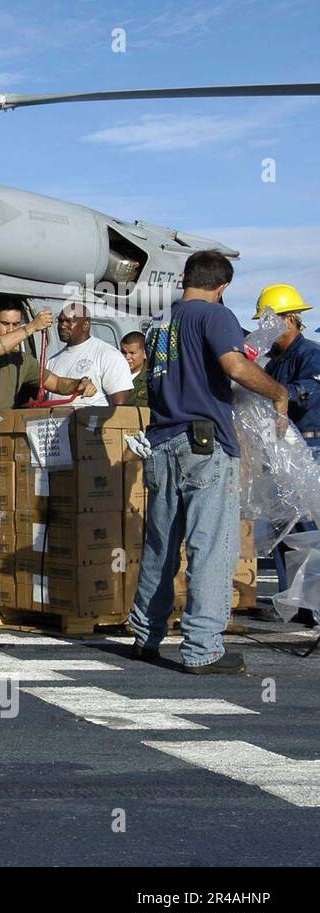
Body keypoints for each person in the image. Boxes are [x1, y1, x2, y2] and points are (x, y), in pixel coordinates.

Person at [127, 251, 289, 674]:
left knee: (161, 545)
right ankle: (203, 649)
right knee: (212, 545)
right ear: (223, 286)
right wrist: (277, 394)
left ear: (186, 278)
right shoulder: (216, 316)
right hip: (203, 444)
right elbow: (234, 366)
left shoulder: (160, 323)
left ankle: (145, 635)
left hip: (161, 442)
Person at [257, 284, 320, 600]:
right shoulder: (274, 362)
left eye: (270, 323)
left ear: (291, 319)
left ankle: (312, 600)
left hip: (310, 449)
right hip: (283, 452)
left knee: (308, 528)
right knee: (284, 527)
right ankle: (293, 600)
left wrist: (283, 396)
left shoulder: (310, 354)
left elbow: (312, 386)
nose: (265, 330)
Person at [43, 303, 133, 406]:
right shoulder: (52, 361)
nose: (62, 326)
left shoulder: (108, 355)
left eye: (68, 321)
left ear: (85, 325)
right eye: (60, 321)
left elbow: (119, 406)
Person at [120, 331, 147, 406]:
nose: (127, 357)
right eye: (124, 352)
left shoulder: (152, 380)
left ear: (145, 353)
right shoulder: (114, 375)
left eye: (132, 353)